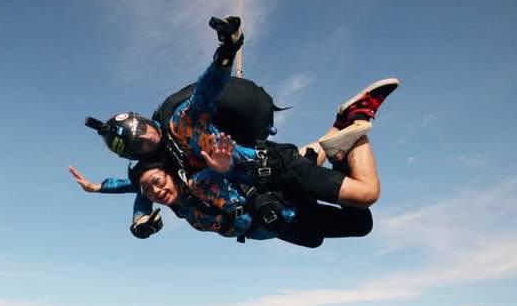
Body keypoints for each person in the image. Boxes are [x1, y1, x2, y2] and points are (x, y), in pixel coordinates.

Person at [69, 17, 396, 246]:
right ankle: (339, 142)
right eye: (139, 143)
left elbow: (206, 91)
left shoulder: (181, 125)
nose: (147, 136)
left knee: (365, 195)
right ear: (135, 155)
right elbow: (137, 187)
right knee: (359, 221)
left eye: (142, 128)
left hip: (272, 170)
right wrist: (98, 189)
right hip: (271, 205)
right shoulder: (166, 177)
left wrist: (226, 52)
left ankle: (355, 122)